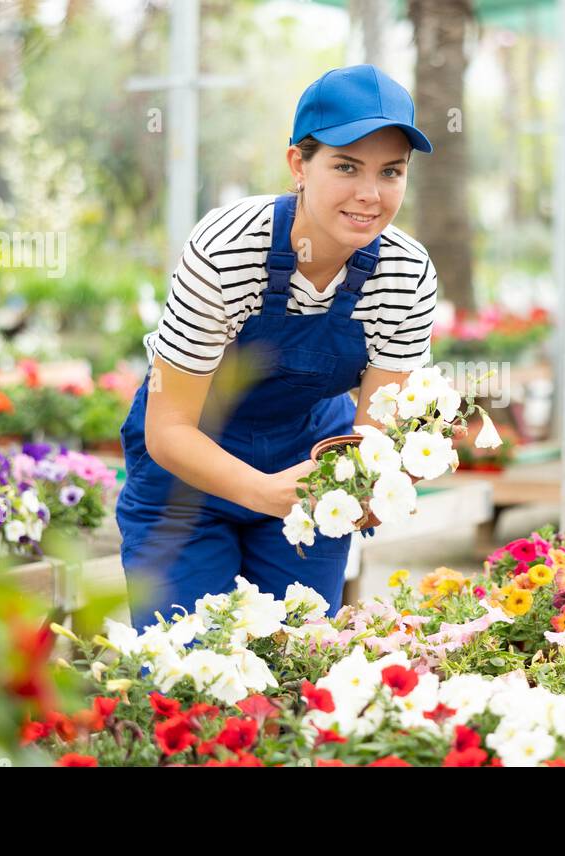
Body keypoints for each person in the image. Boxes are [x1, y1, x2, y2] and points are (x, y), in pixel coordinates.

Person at [116, 65, 436, 630]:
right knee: (188, 669)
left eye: (391, 171)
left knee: (299, 659)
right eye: (346, 166)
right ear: (298, 165)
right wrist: (265, 492)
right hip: (186, 469)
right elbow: (168, 429)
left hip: (310, 455)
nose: (370, 194)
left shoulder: (406, 273)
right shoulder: (227, 248)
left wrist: (376, 481)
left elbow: (373, 434)